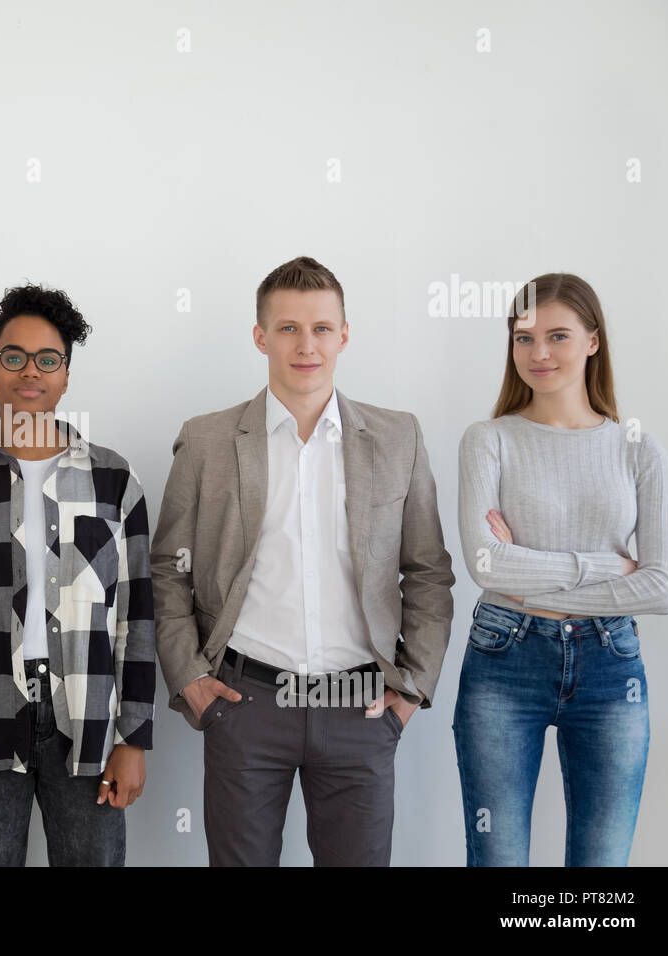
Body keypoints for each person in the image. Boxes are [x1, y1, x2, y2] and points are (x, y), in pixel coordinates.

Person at [151, 255, 455, 866]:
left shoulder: (399, 437)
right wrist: (191, 680)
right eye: (288, 328)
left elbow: (427, 569)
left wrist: (412, 688)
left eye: (321, 328)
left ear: (344, 334)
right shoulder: (208, 440)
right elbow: (169, 570)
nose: (305, 344)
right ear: (260, 336)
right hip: (246, 705)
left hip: (362, 708)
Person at [0, 283, 156, 866]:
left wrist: (133, 737)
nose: (31, 371)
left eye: (48, 359)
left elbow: (137, 617)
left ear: (66, 375)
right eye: (13, 357)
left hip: (90, 724)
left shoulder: (113, 481)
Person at [453, 272, 668, 866]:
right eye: (523, 338)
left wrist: (523, 571)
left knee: (600, 870)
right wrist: (607, 566)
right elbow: (484, 563)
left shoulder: (637, 448)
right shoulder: (489, 440)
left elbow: (661, 587)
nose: (539, 353)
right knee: (497, 859)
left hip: (612, 669)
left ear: (593, 341)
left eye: (557, 335)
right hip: (504, 661)